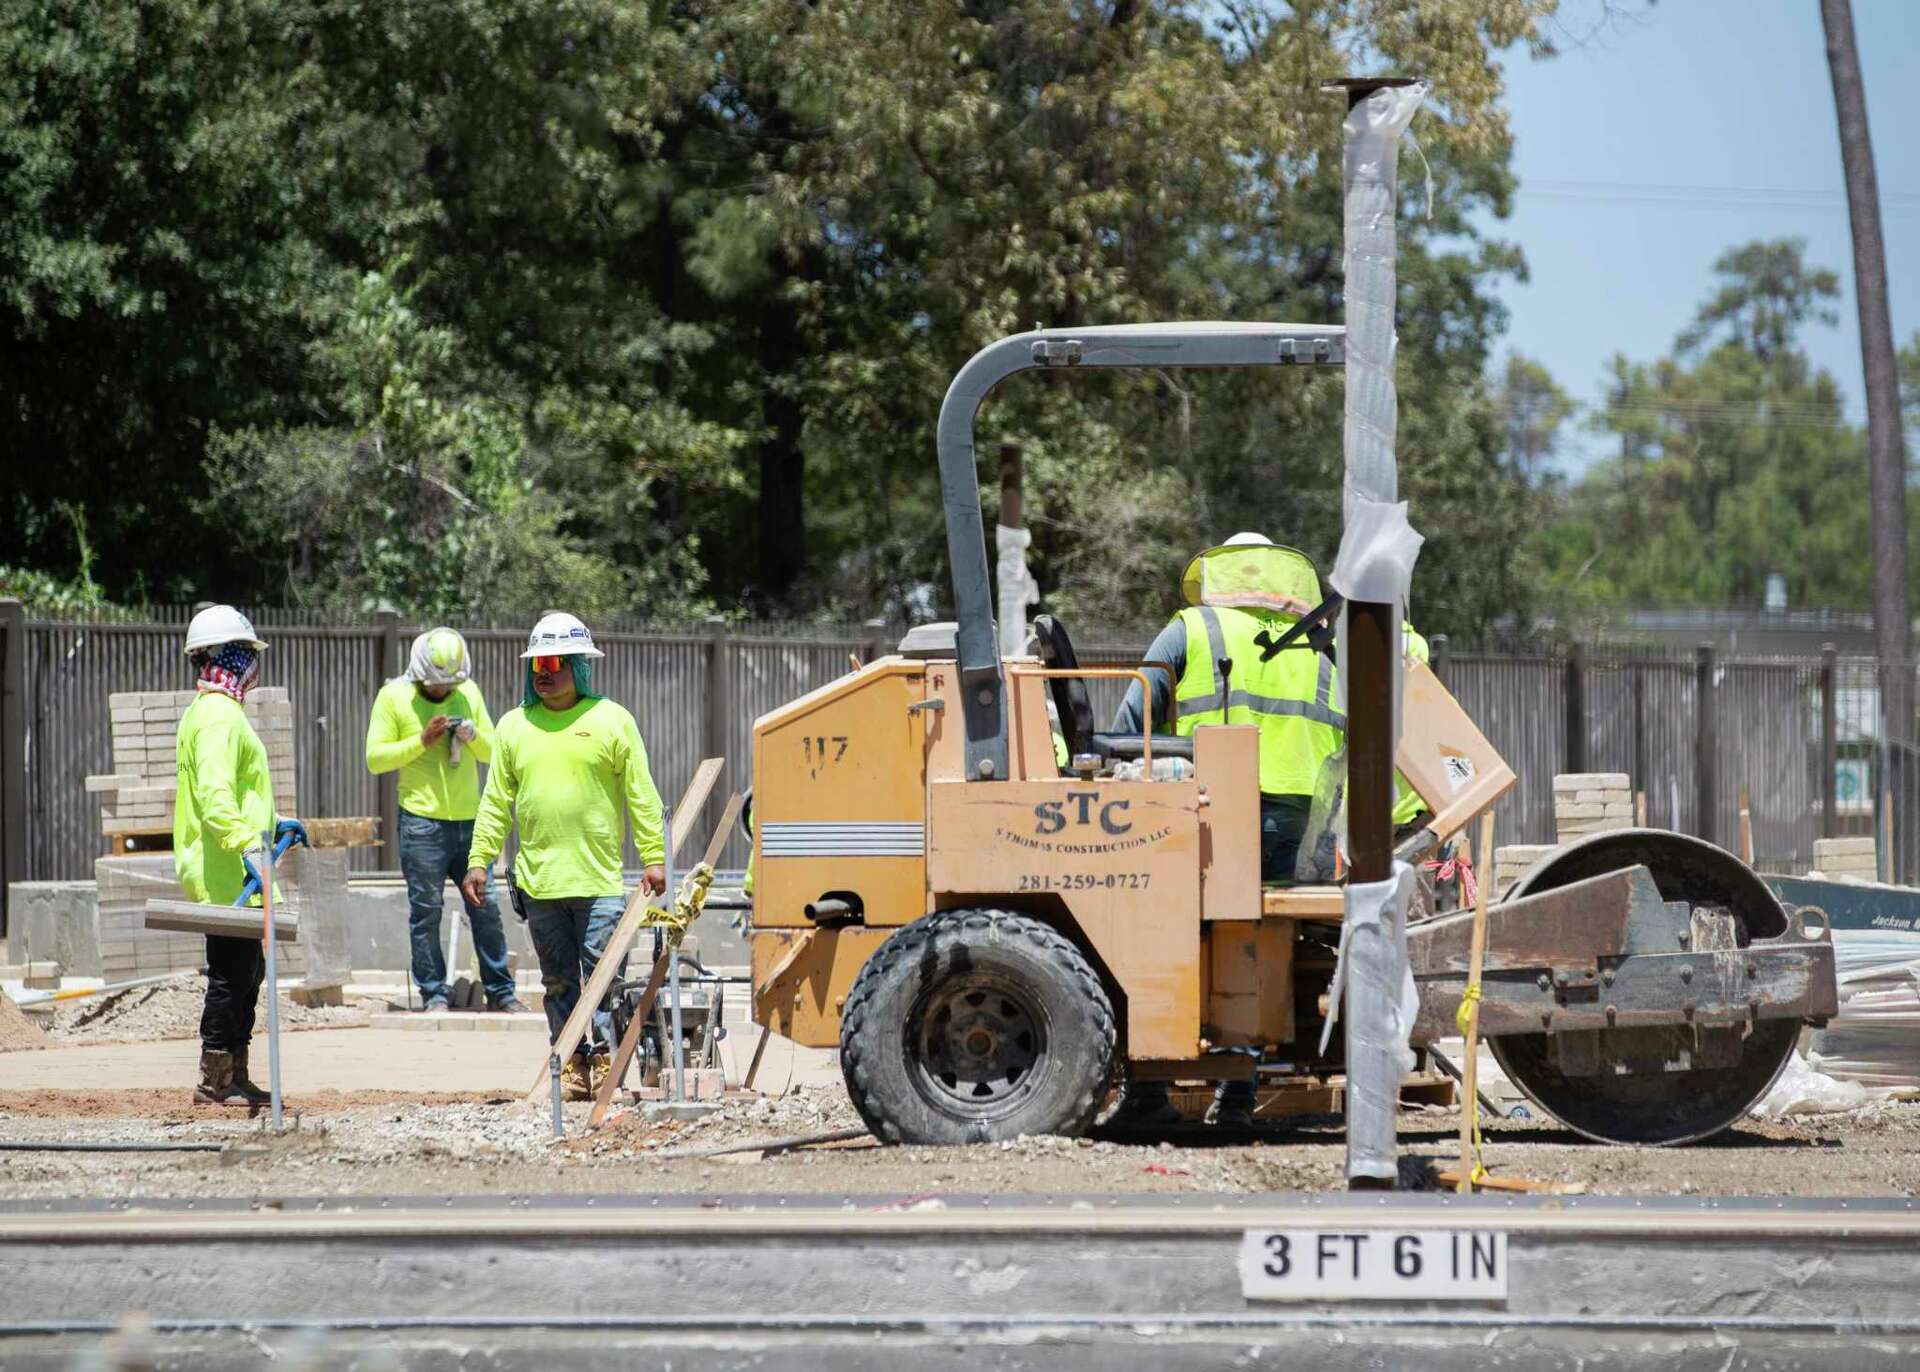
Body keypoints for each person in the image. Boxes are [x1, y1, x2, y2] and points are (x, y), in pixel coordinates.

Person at [1111, 533, 1346, 1128]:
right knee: (1254, 944)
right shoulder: (1323, 644)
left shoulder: (1193, 627)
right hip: (1295, 814)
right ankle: (1237, 1097)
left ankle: (1146, 1094)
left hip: (1209, 805)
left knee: (1165, 939)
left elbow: (1132, 717)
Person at [462, 613, 666, 1100]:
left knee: (604, 981)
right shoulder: (513, 727)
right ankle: (572, 1065)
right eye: (537, 664)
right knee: (557, 985)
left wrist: (655, 856)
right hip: (540, 885)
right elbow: (495, 802)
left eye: (555, 662)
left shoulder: (612, 721)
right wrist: (479, 858)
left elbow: (641, 795)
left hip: (598, 883)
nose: (544, 672)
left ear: (579, 666)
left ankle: (607, 1062)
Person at [174, 604, 308, 1106]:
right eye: (246, 653)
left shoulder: (220, 713)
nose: (253, 663)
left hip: (239, 869)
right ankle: (216, 1081)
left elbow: (238, 793)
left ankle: (236, 1074)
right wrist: (245, 844)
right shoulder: (216, 717)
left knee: (248, 974)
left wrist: (274, 828)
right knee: (231, 979)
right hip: (228, 874)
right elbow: (215, 796)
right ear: (226, 656)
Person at [366, 627, 526, 1014]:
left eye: (449, 686)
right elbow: (375, 759)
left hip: (472, 822)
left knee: (484, 907)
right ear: (418, 673)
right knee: (427, 910)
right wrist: (421, 741)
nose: (442, 692)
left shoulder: (468, 692)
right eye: (435, 686)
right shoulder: (393, 697)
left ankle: (501, 993)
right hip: (422, 823)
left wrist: (471, 736)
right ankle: (434, 994)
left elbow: (492, 752)